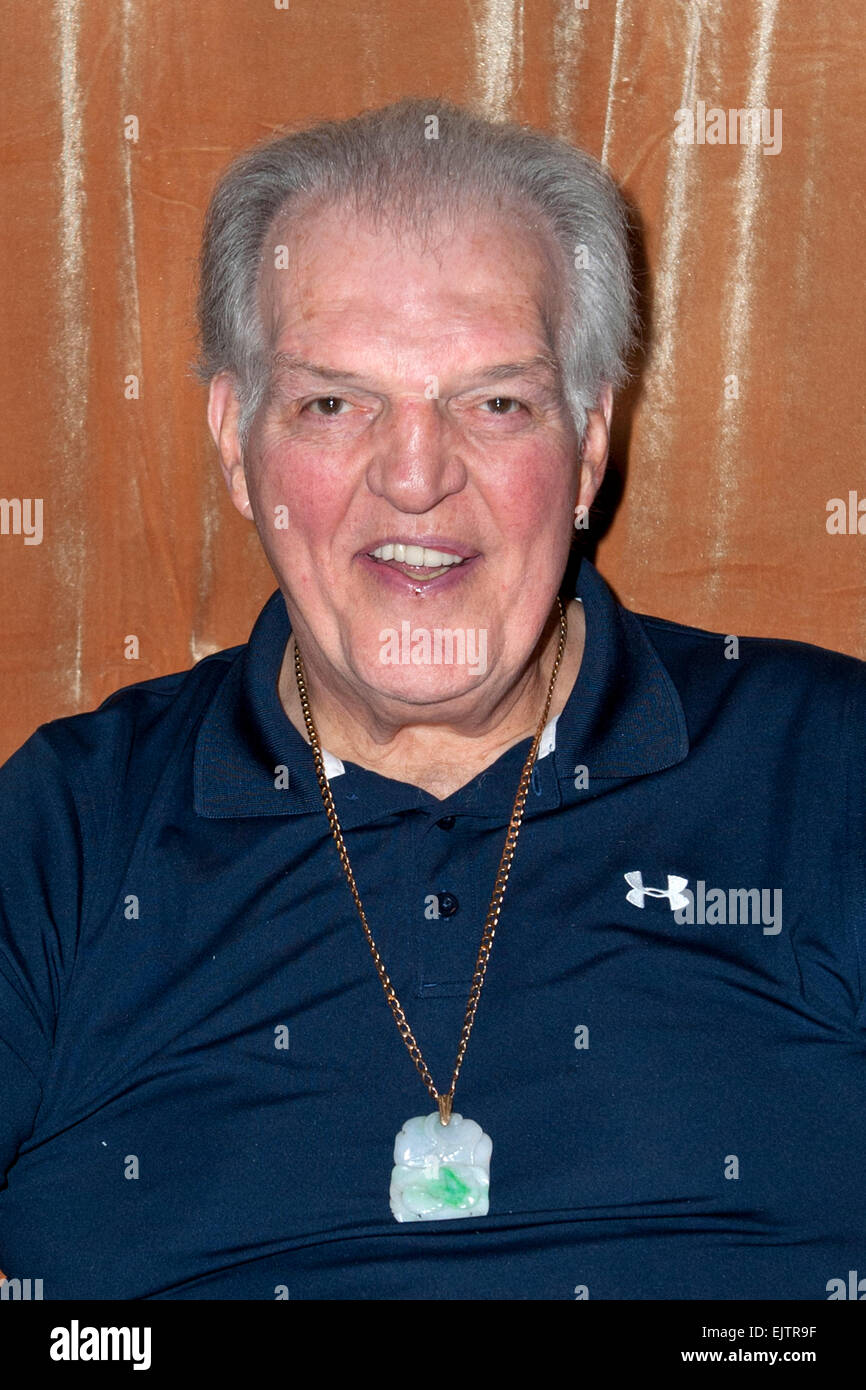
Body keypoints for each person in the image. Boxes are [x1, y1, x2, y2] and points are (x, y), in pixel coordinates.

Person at [1, 96, 864, 1301]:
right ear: (236, 441)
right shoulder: (67, 830)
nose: (414, 476)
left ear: (589, 442)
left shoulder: (827, 768)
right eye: (332, 403)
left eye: (493, 401)